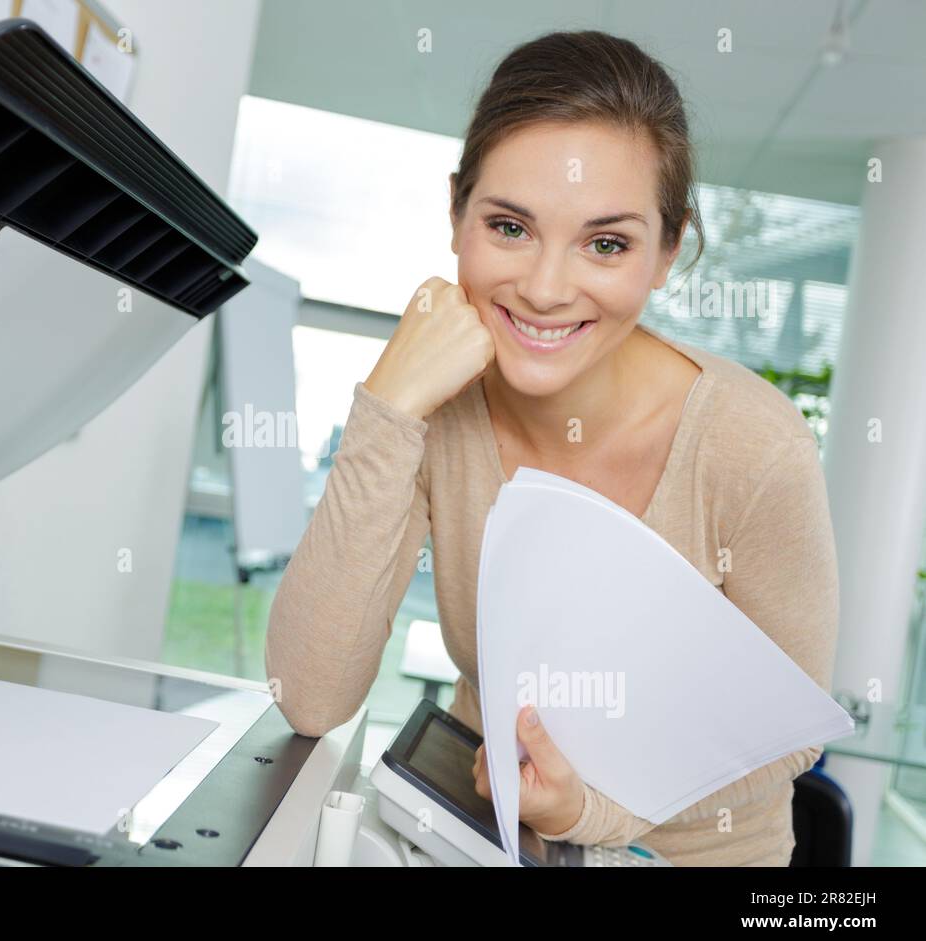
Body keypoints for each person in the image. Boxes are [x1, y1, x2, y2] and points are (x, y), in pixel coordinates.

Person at [264, 30, 839, 866]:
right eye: (509, 227)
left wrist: (592, 812)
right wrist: (387, 409)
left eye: (606, 243)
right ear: (456, 211)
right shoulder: (435, 401)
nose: (543, 288)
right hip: (483, 835)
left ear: (667, 251)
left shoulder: (754, 446)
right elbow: (309, 697)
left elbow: (787, 736)